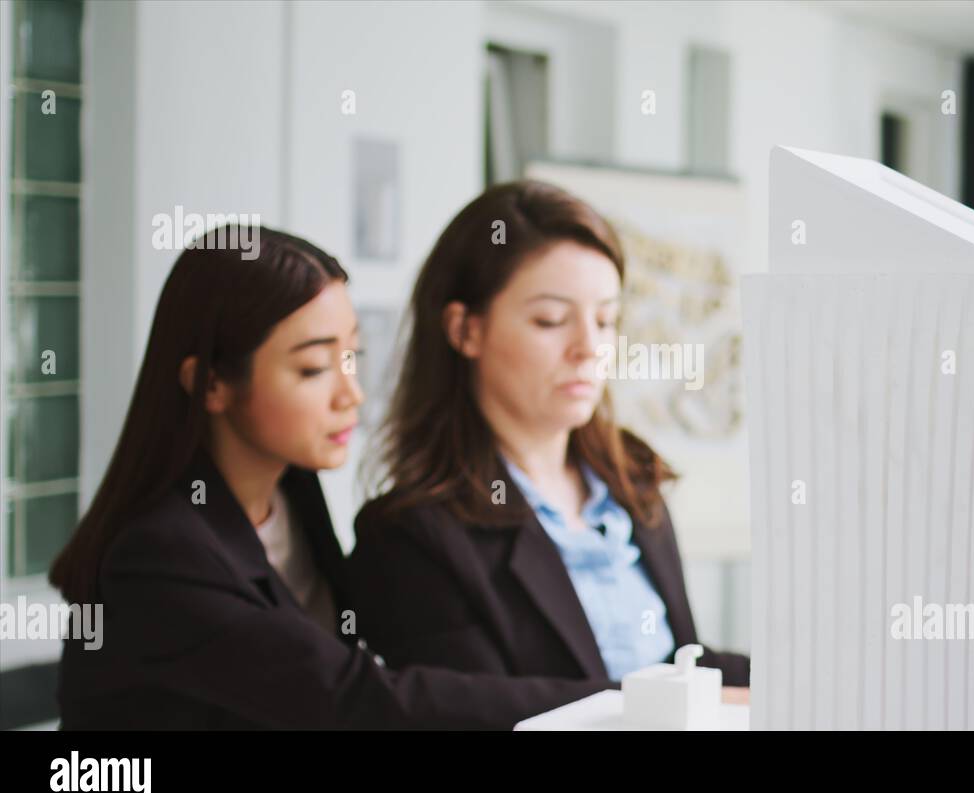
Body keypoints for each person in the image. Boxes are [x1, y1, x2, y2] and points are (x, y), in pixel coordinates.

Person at [50, 225, 611, 729]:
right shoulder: (162, 554)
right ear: (212, 383)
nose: (352, 396)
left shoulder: (290, 492)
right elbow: (356, 700)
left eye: (353, 358)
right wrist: (614, 703)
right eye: (314, 369)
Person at [348, 181, 750, 690]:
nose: (589, 347)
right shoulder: (409, 538)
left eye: (605, 320)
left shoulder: (631, 477)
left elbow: (679, 664)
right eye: (551, 320)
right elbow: (481, 717)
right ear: (465, 330)